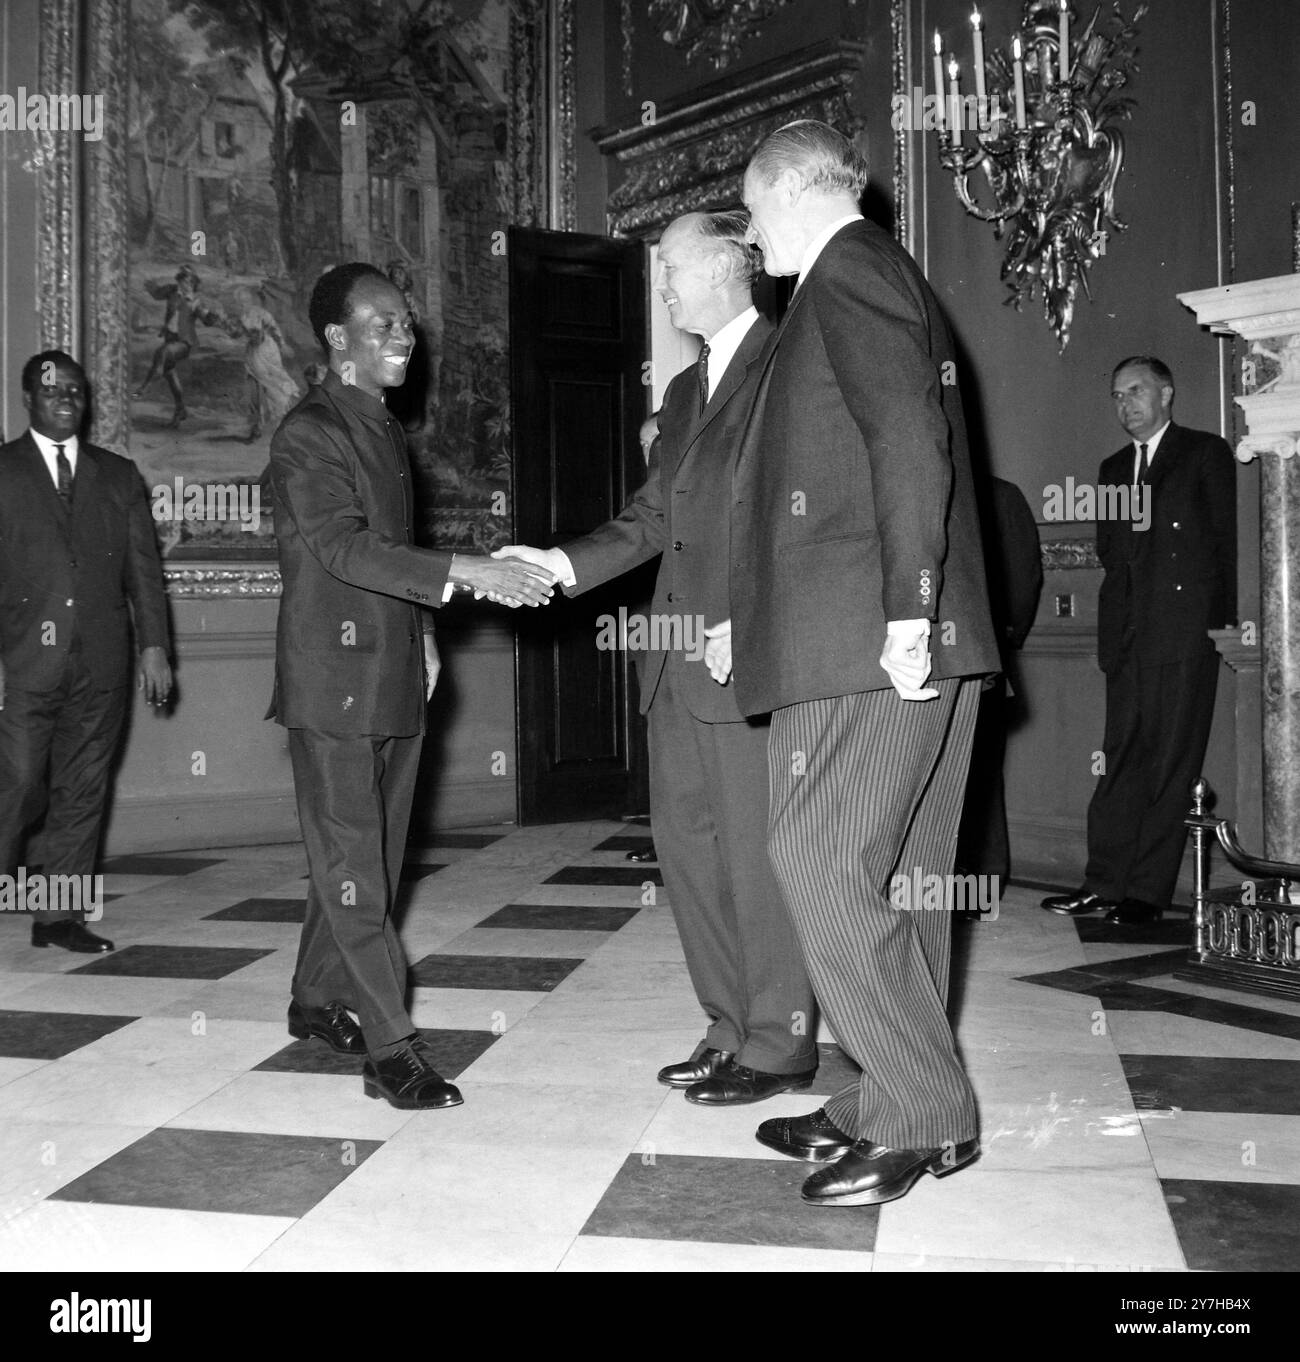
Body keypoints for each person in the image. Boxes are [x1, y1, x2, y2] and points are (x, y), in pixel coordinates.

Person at [494, 212, 819, 1104]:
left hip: (743, 658)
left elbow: (805, 519)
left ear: (725, 267)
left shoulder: (790, 365)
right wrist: (559, 564)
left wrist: (756, 624)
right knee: (692, 857)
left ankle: (781, 1043)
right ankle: (727, 1025)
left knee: (758, 862)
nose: (663, 284)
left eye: (672, 266)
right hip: (673, 663)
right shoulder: (682, 392)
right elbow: (652, 523)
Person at [734, 120, 999, 1206]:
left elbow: (906, 440)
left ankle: (926, 1109)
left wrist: (906, 613)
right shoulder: (873, 274)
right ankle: (887, 1102)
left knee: (818, 859)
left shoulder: (846, 274)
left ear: (792, 191)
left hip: (871, 643)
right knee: (904, 878)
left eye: (752, 217)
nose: (751, 242)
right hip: (905, 638)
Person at [267, 262, 557, 1110]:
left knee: (373, 862)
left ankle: (316, 1001)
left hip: (395, 669)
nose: (406, 336)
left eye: (407, 322)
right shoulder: (308, 434)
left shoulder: (384, 429)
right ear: (336, 338)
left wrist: (427, 632)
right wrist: (466, 571)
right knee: (354, 862)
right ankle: (392, 1047)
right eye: (384, 323)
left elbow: (395, 543)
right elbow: (345, 548)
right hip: (332, 687)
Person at [1041, 357, 1236, 926]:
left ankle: (1146, 893)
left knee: (1172, 765)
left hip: (1184, 634)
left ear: (1167, 394)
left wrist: (1224, 625)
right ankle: (1102, 883)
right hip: (1127, 638)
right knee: (1119, 762)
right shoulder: (1112, 468)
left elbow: (1226, 544)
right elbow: (1112, 554)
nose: (1126, 403)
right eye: (1117, 395)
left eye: (1136, 391)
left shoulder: (1203, 454)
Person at [0, 350, 173, 953]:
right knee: (18, 783)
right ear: (28, 399)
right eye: (53, 391)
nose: (67, 400)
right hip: (24, 664)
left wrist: (154, 646)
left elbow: (143, 573)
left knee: (83, 787)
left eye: (76, 390)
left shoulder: (118, 474)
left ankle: (57, 916)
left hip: (102, 661)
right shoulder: (3, 472)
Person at [956, 476, 1043, 882]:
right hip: (934, 659)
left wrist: (1004, 640)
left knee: (984, 770)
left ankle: (985, 881)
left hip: (986, 656)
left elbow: (1025, 575)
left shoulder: (1003, 496)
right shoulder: (933, 483)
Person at [133, 265, 222, 428]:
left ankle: (144, 387)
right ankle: (180, 409)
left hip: (185, 343)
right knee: (170, 374)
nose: (184, 284)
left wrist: (213, 317)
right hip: (170, 338)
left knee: (163, 352)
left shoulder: (196, 302)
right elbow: (156, 293)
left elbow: (206, 319)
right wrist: (148, 283)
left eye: (188, 282)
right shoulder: (172, 293)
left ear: (194, 284)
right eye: (182, 280)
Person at [227, 285, 300, 443]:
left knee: (272, 383)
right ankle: (257, 427)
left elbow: (274, 329)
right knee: (254, 388)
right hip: (253, 353)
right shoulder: (241, 317)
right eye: (239, 302)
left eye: (244, 301)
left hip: (267, 351)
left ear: (250, 300)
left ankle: (284, 418)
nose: (242, 305)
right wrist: (229, 328)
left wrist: (282, 345)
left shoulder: (261, 314)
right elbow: (237, 334)